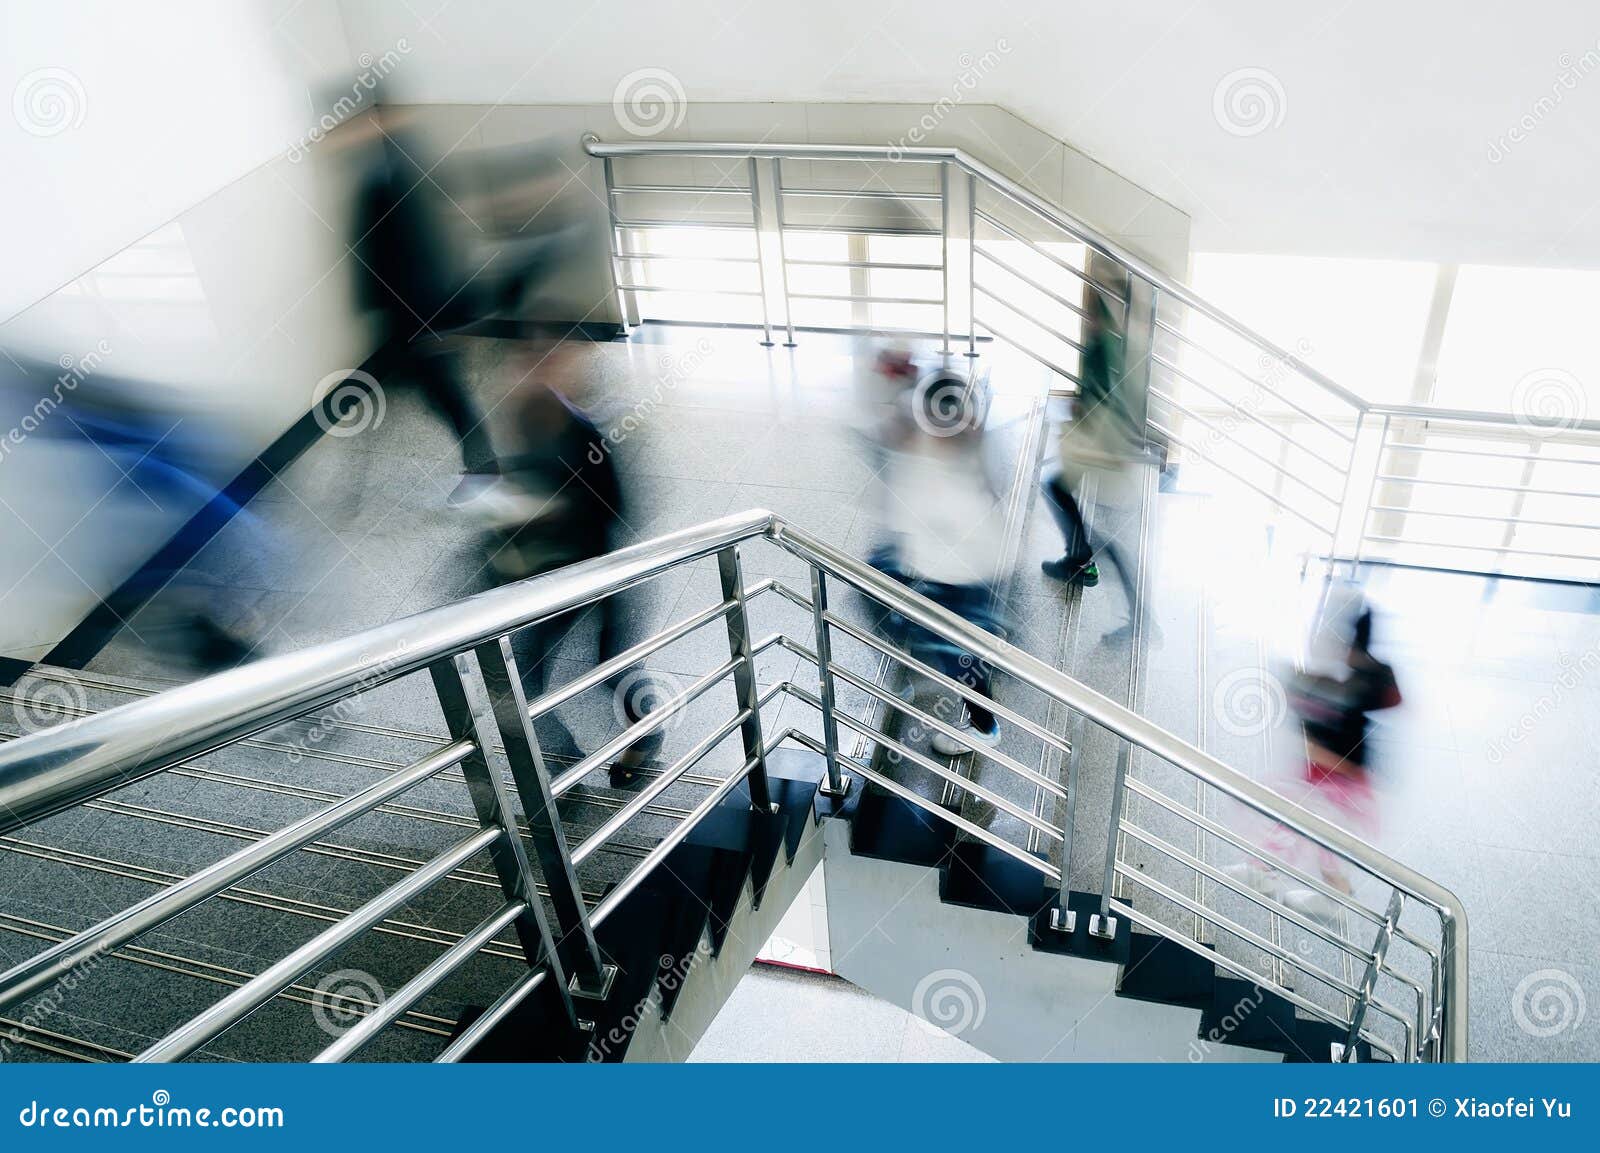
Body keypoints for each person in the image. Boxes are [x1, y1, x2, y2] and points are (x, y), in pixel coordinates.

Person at [455, 342, 661, 784]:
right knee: (522, 684)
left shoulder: (587, 435)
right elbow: (514, 480)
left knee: (614, 667)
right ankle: (563, 758)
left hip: (600, 572)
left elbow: (615, 509)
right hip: (548, 577)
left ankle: (646, 737)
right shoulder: (531, 425)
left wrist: (553, 511)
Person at [1225, 596, 1402, 923]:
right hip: (1325, 779)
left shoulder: (1357, 685)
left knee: (1297, 822)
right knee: (1313, 836)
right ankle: (1322, 891)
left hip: (1337, 784)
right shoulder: (1349, 681)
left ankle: (1270, 875)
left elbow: (1344, 736)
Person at [869, 368, 1008, 755]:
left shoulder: (949, 475)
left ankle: (984, 727)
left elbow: (924, 523)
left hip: (952, 578)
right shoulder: (960, 449)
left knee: (958, 653)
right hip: (951, 574)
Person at [1039, 289, 1145, 626]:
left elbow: (1108, 401)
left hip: (1102, 454)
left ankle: (1138, 618)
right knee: (1058, 490)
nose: (1085, 318)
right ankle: (1080, 557)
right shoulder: (1107, 345)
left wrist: (1084, 422)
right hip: (1098, 450)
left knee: (1108, 539)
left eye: (1088, 313)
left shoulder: (1104, 348)